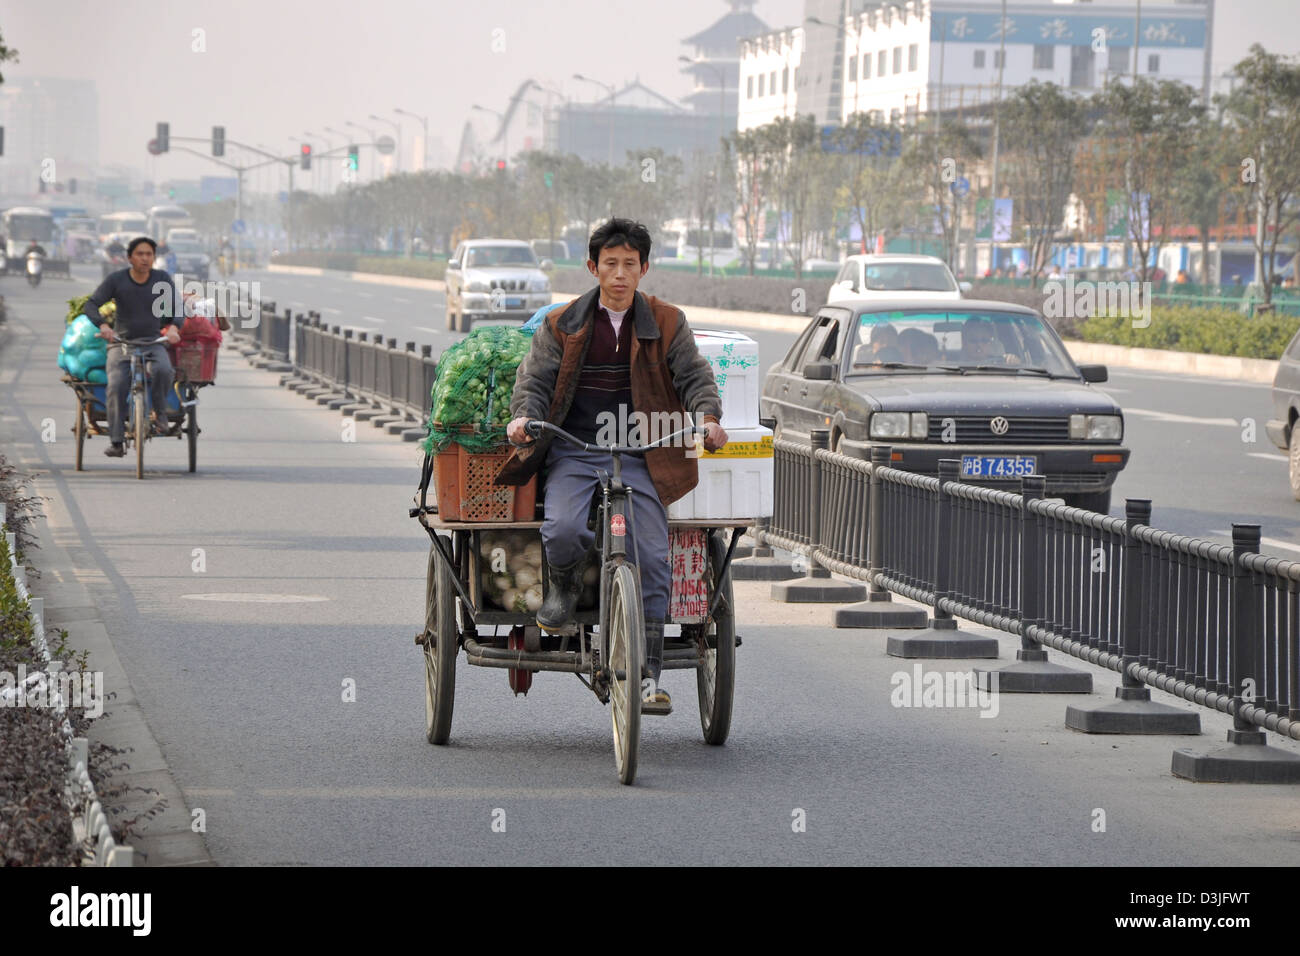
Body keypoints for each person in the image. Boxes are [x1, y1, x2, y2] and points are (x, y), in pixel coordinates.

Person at [500, 218, 726, 715]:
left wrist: (707, 417)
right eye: (610, 264)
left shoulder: (668, 322)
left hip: (643, 453)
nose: (620, 274)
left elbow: (694, 376)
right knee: (560, 527)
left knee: (653, 555)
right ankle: (560, 591)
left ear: (643, 269)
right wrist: (524, 419)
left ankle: (648, 677)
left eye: (629, 264)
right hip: (575, 449)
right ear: (593, 268)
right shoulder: (563, 322)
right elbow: (534, 381)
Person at [80, 237, 181, 457]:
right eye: (140, 254)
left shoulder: (161, 278)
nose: (145, 258)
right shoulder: (117, 280)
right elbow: (91, 304)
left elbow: (177, 307)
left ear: (154, 258)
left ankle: (160, 413)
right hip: (122, 343)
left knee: (164, 370)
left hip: (153, 342)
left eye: (149, 254)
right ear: (130, 258)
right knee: (116, 385)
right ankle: (116, 441)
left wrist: (174, 327)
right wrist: (104, 325)